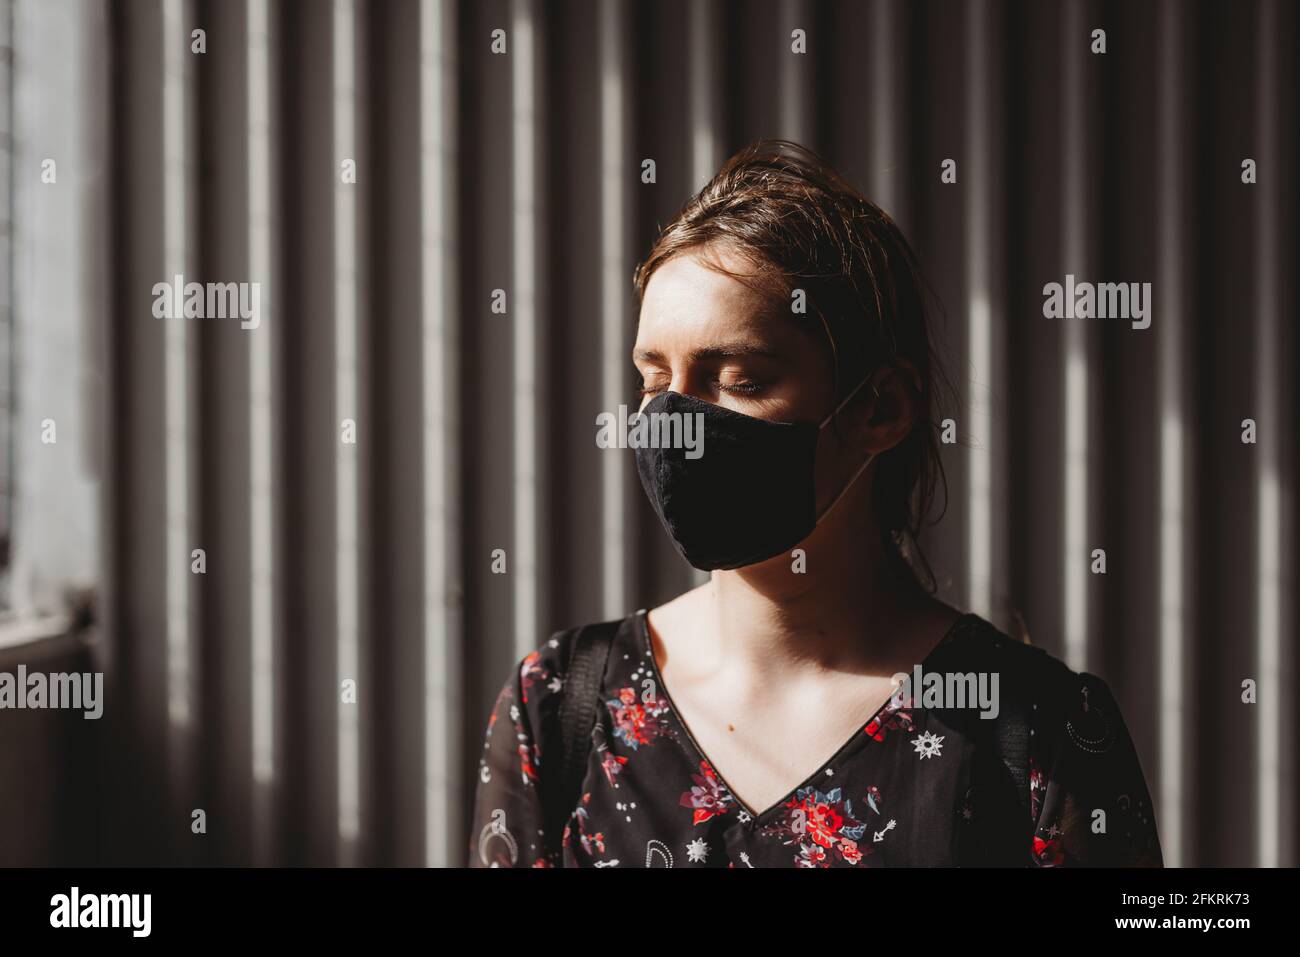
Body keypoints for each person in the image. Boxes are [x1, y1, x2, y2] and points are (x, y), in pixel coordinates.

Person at [467, 139, 1162, 868]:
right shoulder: (560, 709)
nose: (674, 421)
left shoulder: (1038, 731)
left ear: (881, 408)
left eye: (736, 379)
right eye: (655, 378)